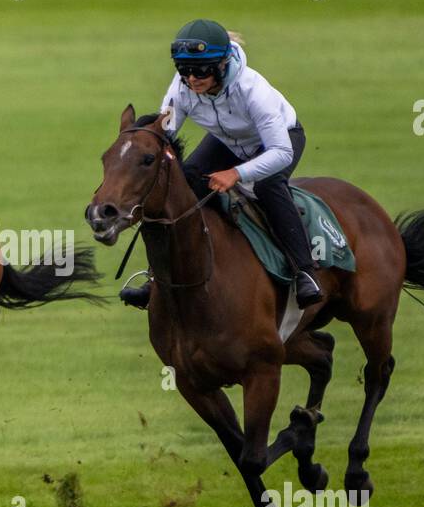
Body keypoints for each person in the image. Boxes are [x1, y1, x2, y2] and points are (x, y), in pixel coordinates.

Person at [119, 19, 324, 309]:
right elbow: (165, 128)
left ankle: (305, 271)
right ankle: (156, 279)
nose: (192, 79)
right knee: (186, 178)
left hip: (278, 141)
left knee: (268, 185)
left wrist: (236, 173)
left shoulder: (253, 90)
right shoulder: (182, 87)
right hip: (228, 141)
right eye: (184, 69)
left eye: (201, 70)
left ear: (222, 64)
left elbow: (281, 152)